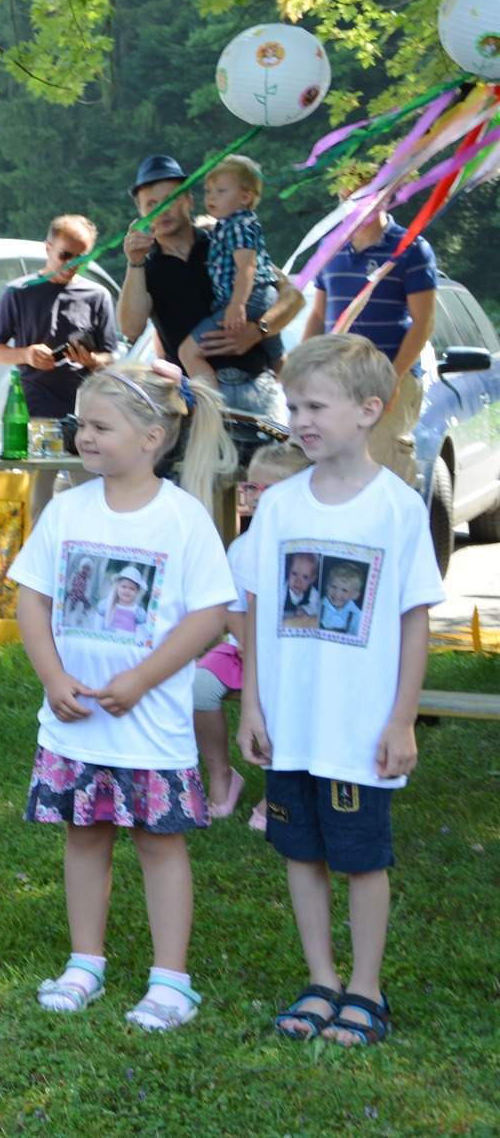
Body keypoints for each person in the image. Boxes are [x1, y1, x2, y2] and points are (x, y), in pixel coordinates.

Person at [11, 360, 237, 1031]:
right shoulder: (67, 509)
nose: (84, 436)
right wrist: (53, 677)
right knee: (84, 837)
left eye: (101, 426)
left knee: (159, 844)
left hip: (151, 727)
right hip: (76, 722)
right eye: (81, 423)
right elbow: (32, 598)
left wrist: (142, 679)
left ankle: (171, 981)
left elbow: (210, 614)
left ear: (152, 437)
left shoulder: (183, 519)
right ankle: (85, 961)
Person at [236, 334, 444, 1047]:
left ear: (368, 410)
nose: (300, 420)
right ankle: (322, 978)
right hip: (291, 725)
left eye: (316, 407)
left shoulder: (397, 508)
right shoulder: (279, 506)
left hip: (359, 728)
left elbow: (414, 620)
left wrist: (403, 719)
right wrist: (252, 705)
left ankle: (366, 989)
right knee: (301, 851)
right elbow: (256, 610)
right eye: (293, 406)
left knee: (361, 858)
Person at [118, 153, 304, 423]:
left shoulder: (225, 240)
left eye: (170, 199)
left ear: (189, 200)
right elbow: (130, 329)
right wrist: (134, 262)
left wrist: (259, 330)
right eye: (152, 204)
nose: (163, 209)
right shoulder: (146, 267)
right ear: (141, 211)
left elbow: (292, 296)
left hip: (257, 389)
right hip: (194, 399)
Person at [192, 440, 311, 829]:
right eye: (251, 488)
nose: (257, 497)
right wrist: (248, 645)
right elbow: (233, 608)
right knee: (198, 688)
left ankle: (278, 791)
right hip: (243, 649)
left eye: (269, 489)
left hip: (292, 656)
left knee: (285, 697)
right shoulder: (242, 547)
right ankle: (222, 775)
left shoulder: (309, 550)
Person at [301, 171, 437, 487]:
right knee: (333, 473)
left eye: (364, 196)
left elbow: (424, 322)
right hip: (335, 380)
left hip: (388, 377)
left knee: (383, 470)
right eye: (346, 197)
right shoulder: (330, 246)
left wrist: (393, 377)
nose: (354, 204)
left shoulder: (411, 247)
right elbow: (318, 317)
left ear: (387, 196)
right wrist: (300, 368)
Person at [0, 215, 120, 524]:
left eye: (82, 258)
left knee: (90, 494)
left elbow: (111, 355)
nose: (73, 264)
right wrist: (27, 354)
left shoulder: (97, 295)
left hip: (85, 412)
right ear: (48, 248)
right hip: (35, 409)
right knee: (37, 498)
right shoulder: (19, 291)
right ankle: (37, 550)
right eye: (65, 255)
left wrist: (92, 360)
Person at [177, 156, 282, 384]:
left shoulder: (238, 227)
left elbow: (247, 266)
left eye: (221, 191)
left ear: (245, 197)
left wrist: (237, 305)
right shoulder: (232, 225)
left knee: (188, 351)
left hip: (250, 297)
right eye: (208, 191)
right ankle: (293, 393)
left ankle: (212, 402)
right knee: (277, 355)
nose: (211, 197)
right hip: (262, 297)